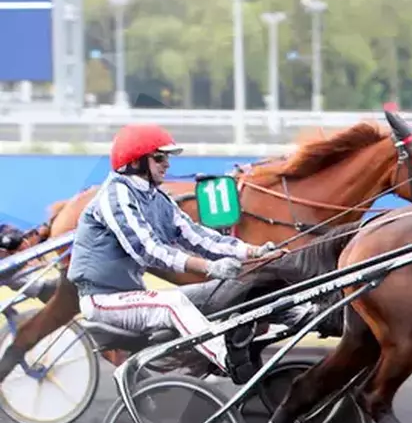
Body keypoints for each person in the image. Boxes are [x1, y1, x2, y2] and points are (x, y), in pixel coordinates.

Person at [67, 123, 278, 381]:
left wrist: (254, 252)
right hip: (102, 301)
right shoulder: (116, 195)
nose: (166, 164)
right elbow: (149, 250)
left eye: (166, 157)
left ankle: (304, 316)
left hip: (134, 296)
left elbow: (198, 237)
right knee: (172, 302)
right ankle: (226, 359)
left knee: (228, 288)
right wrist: (209, 267)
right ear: (136, 162)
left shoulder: (159, 198)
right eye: (159, 157)